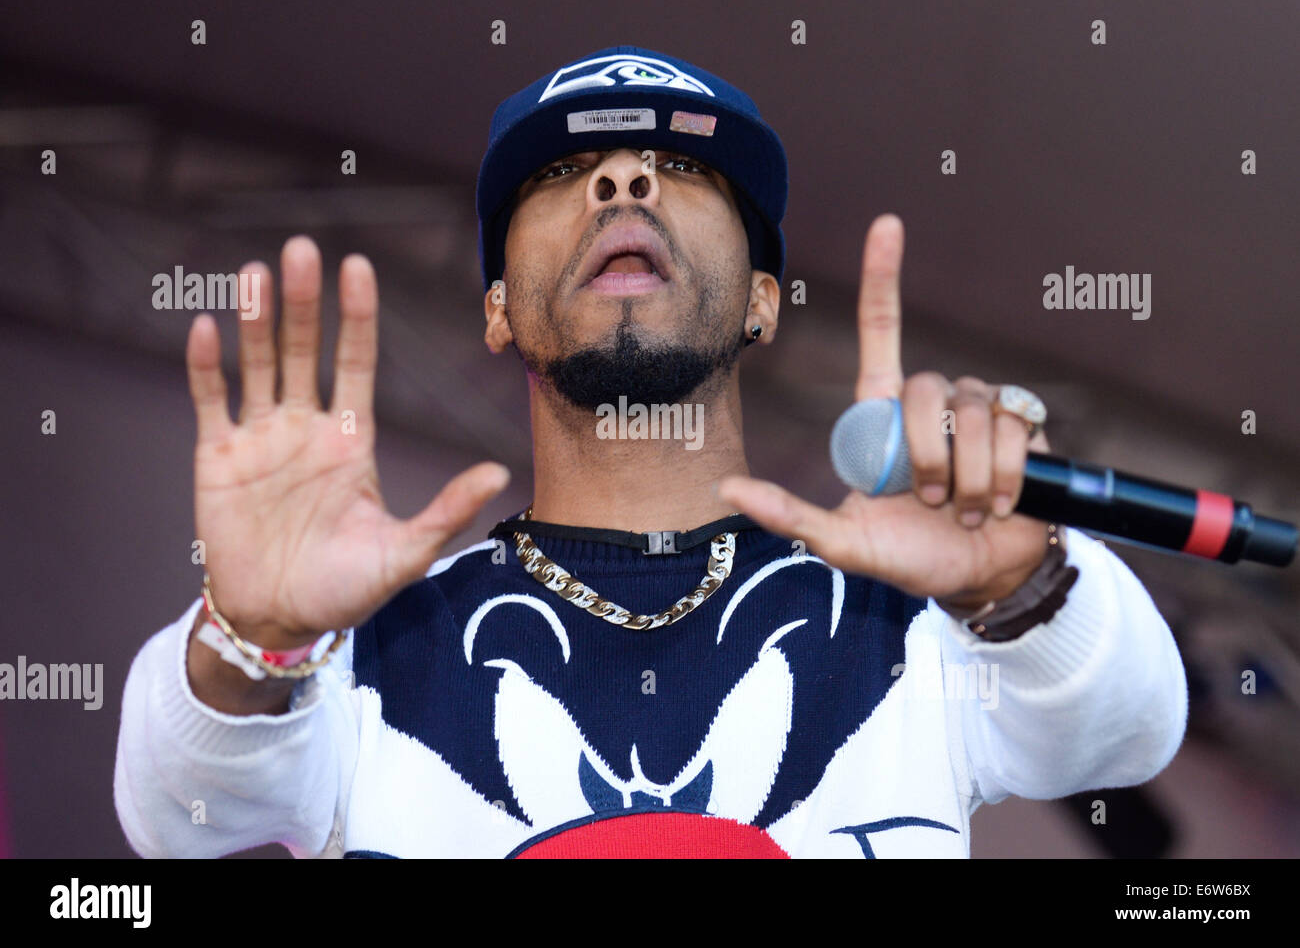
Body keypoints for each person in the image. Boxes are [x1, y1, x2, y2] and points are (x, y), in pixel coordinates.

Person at [113, 46, 1187, 858]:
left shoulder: (911, 615)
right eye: (569, 169)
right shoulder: (357, 652)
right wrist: (249, 639)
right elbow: (173, 816)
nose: (623, 183)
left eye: (675, 163)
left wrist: (1021, 584)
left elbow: (1127, 730)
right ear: (494, 307)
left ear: (763, 302)